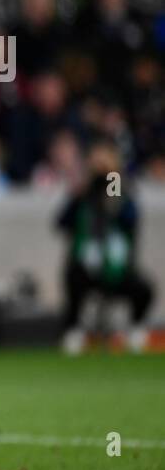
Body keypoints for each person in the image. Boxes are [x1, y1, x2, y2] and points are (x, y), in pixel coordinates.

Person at [56, 141, 155, 354]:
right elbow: (61, 223)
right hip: (89, 262)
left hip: (116, 265)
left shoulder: (120, 188)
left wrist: (114, 189)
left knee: (144, 289)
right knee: (74, 277)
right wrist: (79, 194)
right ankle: (74, 330)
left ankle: (134, 328)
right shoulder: (84, 191)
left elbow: (127, 218)